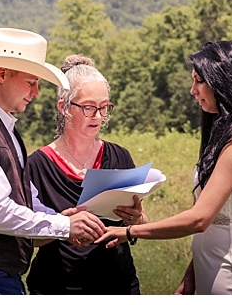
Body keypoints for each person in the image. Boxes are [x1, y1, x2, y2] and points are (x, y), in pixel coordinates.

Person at [99, 41, 232, 296]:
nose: (192, 90)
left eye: (199, 81)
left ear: (223, 81)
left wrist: (129, 231)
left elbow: (200, 219)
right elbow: (220, 220)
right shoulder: (226, 136)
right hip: (215, 269)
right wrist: (191, 276)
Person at [0, 28, 106, 295]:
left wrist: (61, 221)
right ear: (2, 74)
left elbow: (25, 201)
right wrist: (64, 226)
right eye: (31, 82)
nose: (37, 92)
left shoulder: (4, 130)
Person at [26, 55, 145, 295]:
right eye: (89, 107)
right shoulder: (36, 165)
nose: (98, 116)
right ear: (63, 107)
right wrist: (63, 226)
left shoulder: (120, 157)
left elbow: (141, 223)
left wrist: (135, 220)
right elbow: (26, 237)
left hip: (118, 286)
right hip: (57, 287)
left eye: (104, 107)